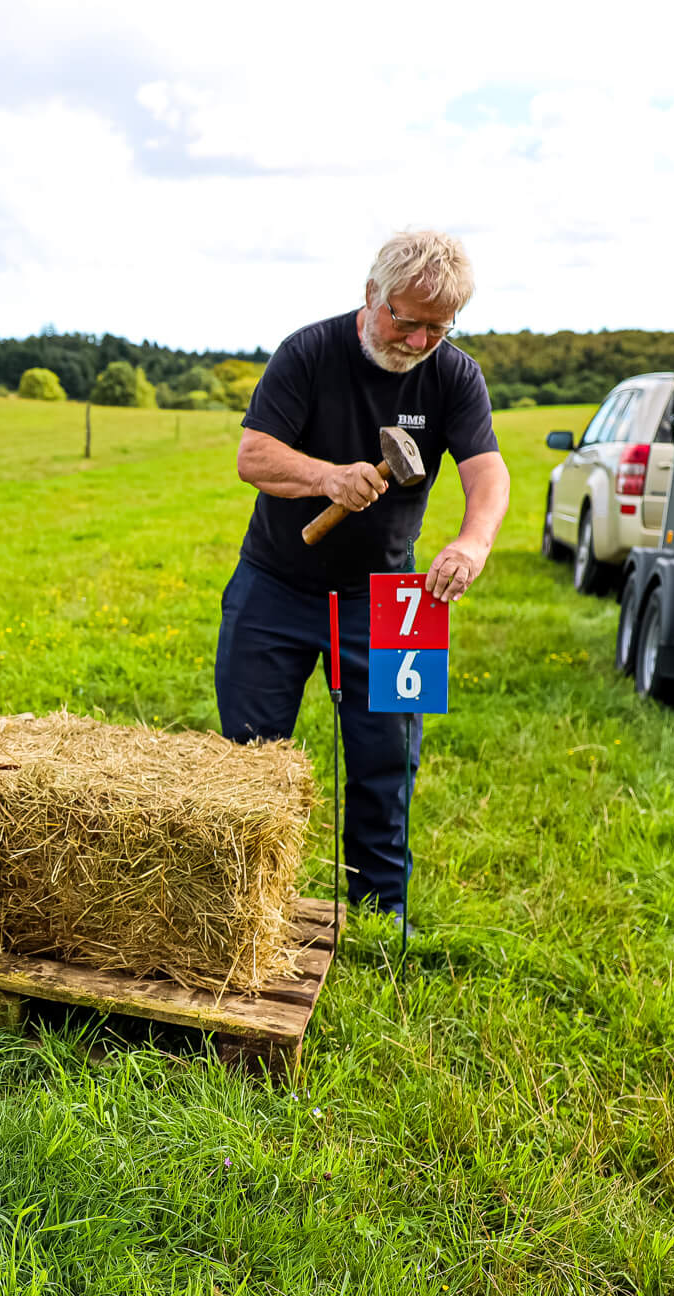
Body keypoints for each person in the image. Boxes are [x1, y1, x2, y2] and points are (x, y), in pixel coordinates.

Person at [217, 229, 510, 932]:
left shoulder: (455, 376)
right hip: (275, 584)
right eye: (405, 320)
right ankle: (242, 911)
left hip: (396, 595)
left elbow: (488, 470)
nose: (418, 341)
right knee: (249, 758)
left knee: (389, 762)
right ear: (372, 294)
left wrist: (472, 542)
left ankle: (382, 914)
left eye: (438, 328)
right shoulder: (308, 351)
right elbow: (253, 455)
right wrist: (327, 477)